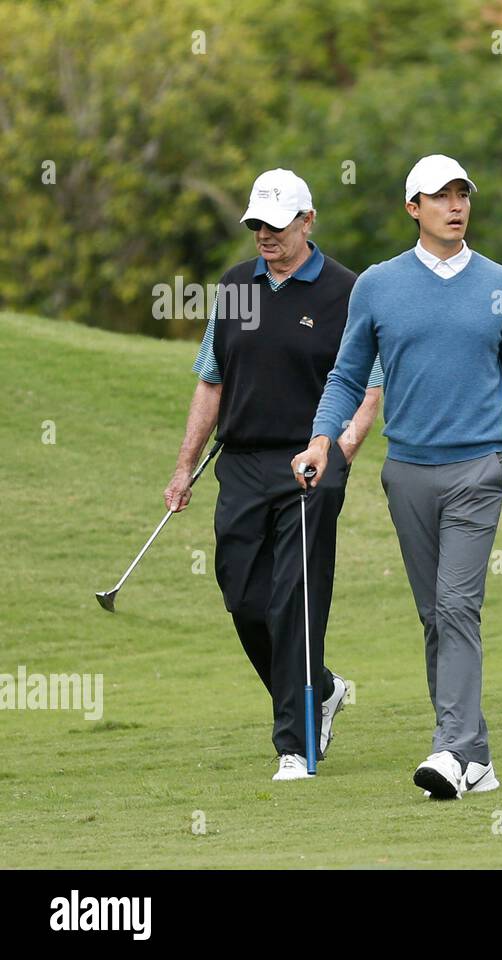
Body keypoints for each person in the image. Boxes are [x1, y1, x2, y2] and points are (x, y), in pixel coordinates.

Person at [292, 154, 502, 800]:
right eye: (439, 197)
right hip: (406, 473)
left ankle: (447, 750)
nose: (455, 205)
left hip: (479, 468)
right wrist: (321, 439)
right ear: (412, 208)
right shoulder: (378, 287)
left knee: (456, 604)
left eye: (461, 194)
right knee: (435, 617)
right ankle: (478, 757)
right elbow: (346, 375)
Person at [166, 168, 384, 782]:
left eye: (277, 223)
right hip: (241, 463)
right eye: (257, 223)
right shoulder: (236, 285)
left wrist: (339, 450)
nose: (265, 233)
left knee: (293, 599)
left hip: (309, 461)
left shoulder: (348, 291)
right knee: (242, 596)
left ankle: (295, 741)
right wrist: (185, 465)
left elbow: (369, 386)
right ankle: (320, 686)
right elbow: (212, 378)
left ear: (307, 221)